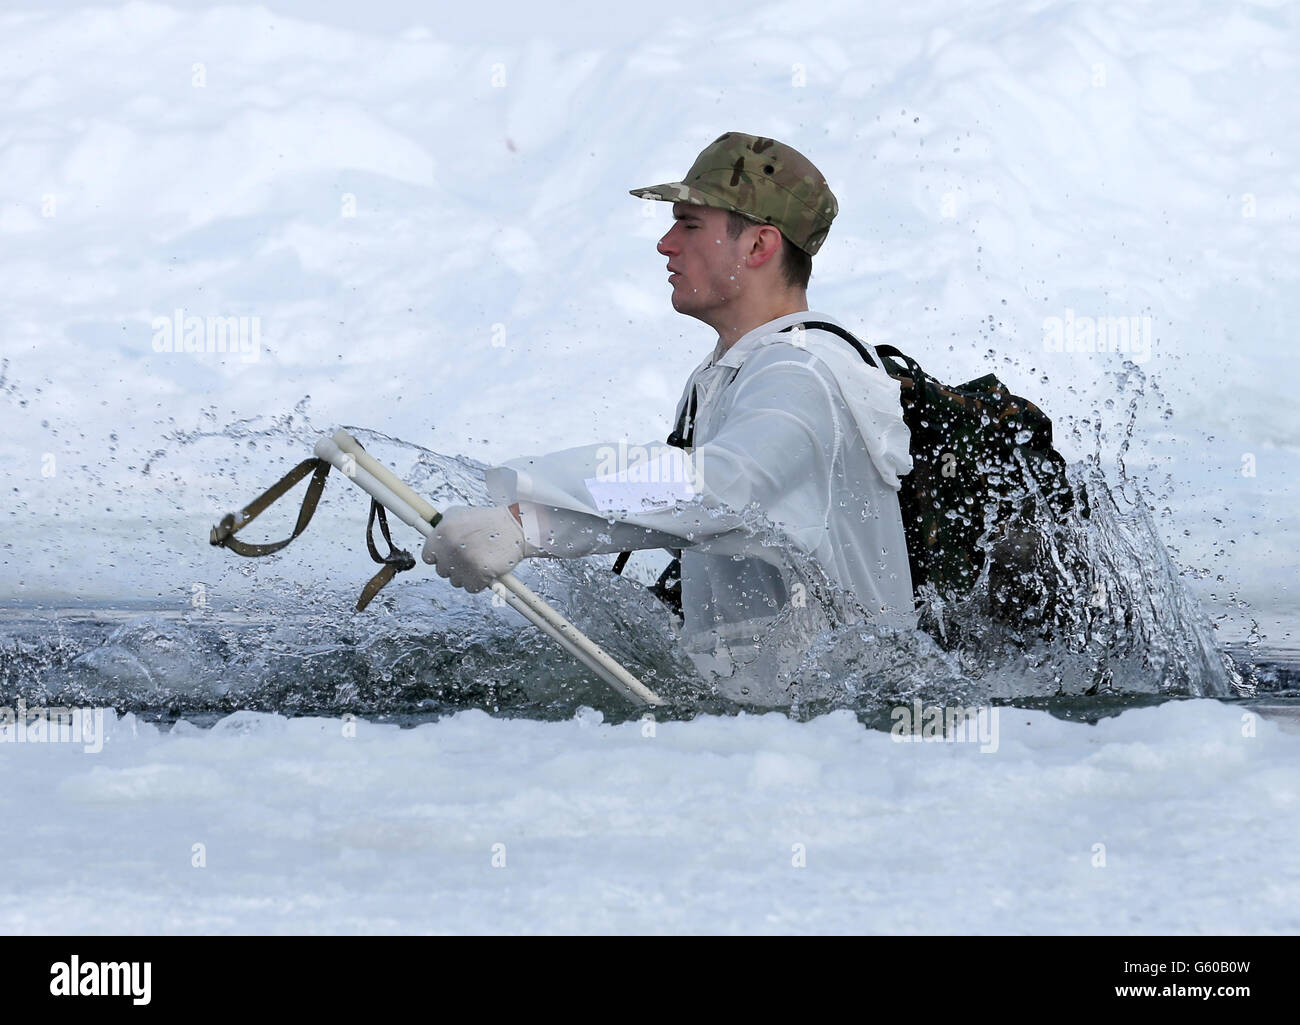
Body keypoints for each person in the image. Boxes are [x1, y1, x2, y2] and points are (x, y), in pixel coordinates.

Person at [423, 132, 916, 704]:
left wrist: (528, 521)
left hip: (835, 732)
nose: (664, 244)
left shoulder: (800, 376)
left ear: (758, 245)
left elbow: (718, 488)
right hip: (779, 721)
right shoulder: (735, 369)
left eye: (688, 225)